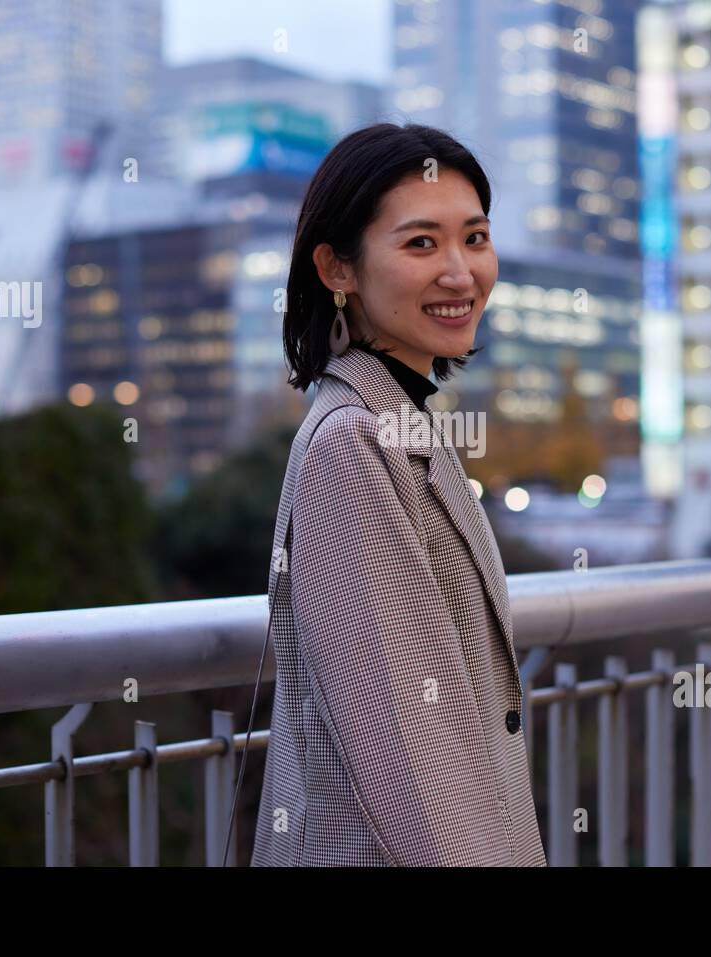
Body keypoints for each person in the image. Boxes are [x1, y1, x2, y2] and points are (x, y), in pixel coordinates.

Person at [249, 123, 548, 866]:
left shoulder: (395, 420)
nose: (460, 272)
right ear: (337, 267)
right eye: (421, 244)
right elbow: (416, 750)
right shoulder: (352, 444)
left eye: (474, 238)